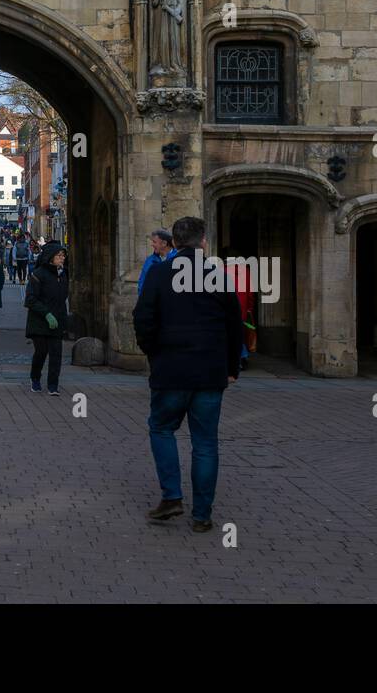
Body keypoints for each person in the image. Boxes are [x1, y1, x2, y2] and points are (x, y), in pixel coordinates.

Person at [133, 216, 242, 534]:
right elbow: (234, 325)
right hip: (210, 371)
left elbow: (143, 318)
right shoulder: (217, 275)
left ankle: (172, 496)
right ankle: (202, 514)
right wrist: (232, 366)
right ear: (203, 241)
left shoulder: (159, 272)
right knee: (205, 442)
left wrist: (153, 353)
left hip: (170, 368)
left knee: (162, 429)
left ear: (175, 242)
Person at [24, 241, 69, 395]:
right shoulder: (38, 274)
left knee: (56, 354)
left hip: (57, 320)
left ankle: (53, 385)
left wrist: (63, 318)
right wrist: (46, 313)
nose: (62, 258)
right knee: (41, 351)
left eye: (63, 255)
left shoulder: (63, 274)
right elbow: (30, 299)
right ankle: (35, 378)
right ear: (50, 257)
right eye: (59, 255)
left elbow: (63, 298)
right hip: (39, 321)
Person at [137, 228, 174, 296]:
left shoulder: (178, 260)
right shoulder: (149, 261)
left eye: (154, 242)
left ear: (164, 243)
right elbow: (141, 285)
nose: (152, 244)